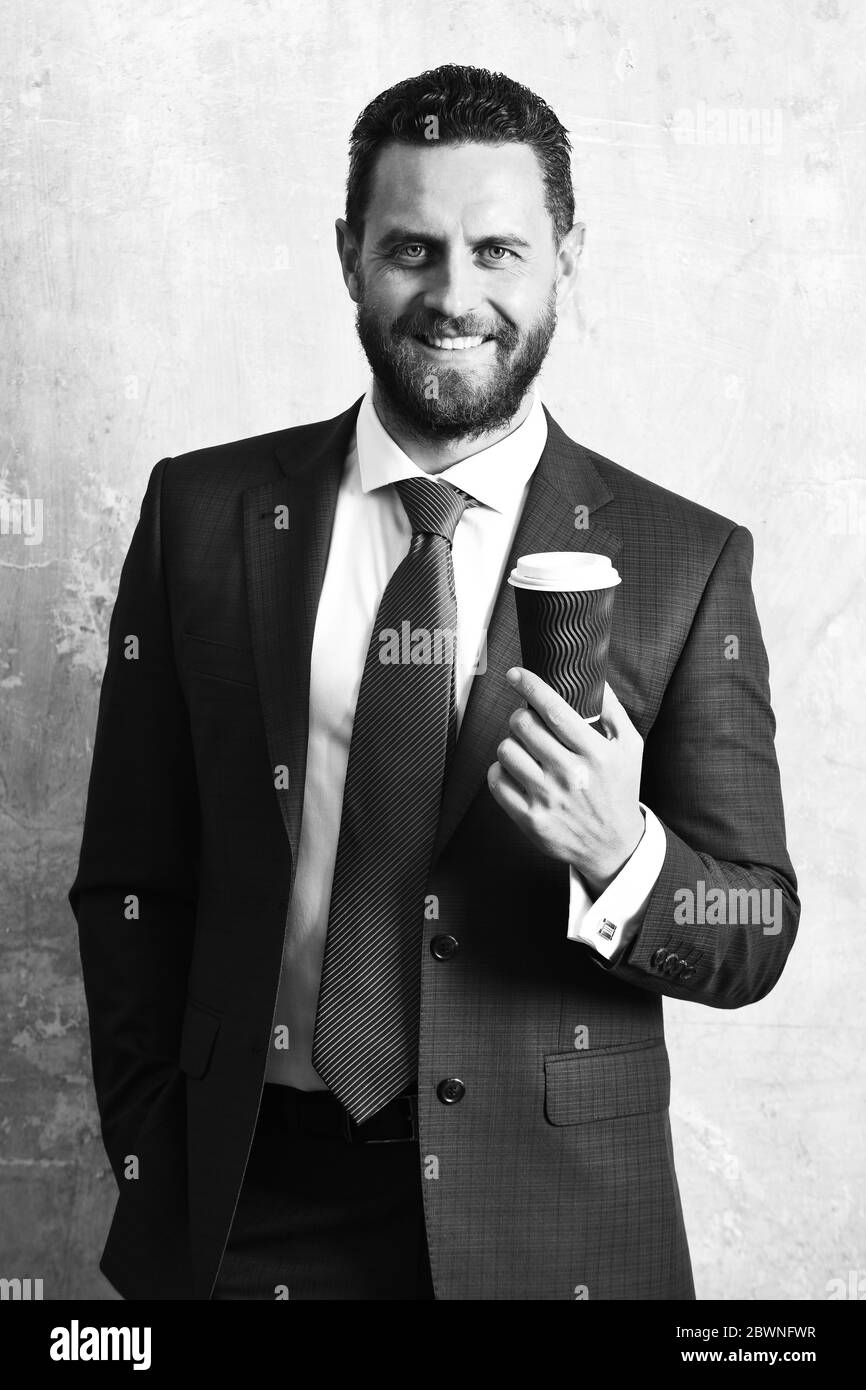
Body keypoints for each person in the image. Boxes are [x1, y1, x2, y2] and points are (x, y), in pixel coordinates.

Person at [69, 64, 799, 1301]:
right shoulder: (198, 514)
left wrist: (620, 851)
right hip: (250, 1204)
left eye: (498, 250)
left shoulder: (685, 560)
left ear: (565, 257)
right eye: (412, 248)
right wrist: (154, 1141)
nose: (455, 297)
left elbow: (755, 928)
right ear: (349, 256)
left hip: (554, 1222)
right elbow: (134, 878)